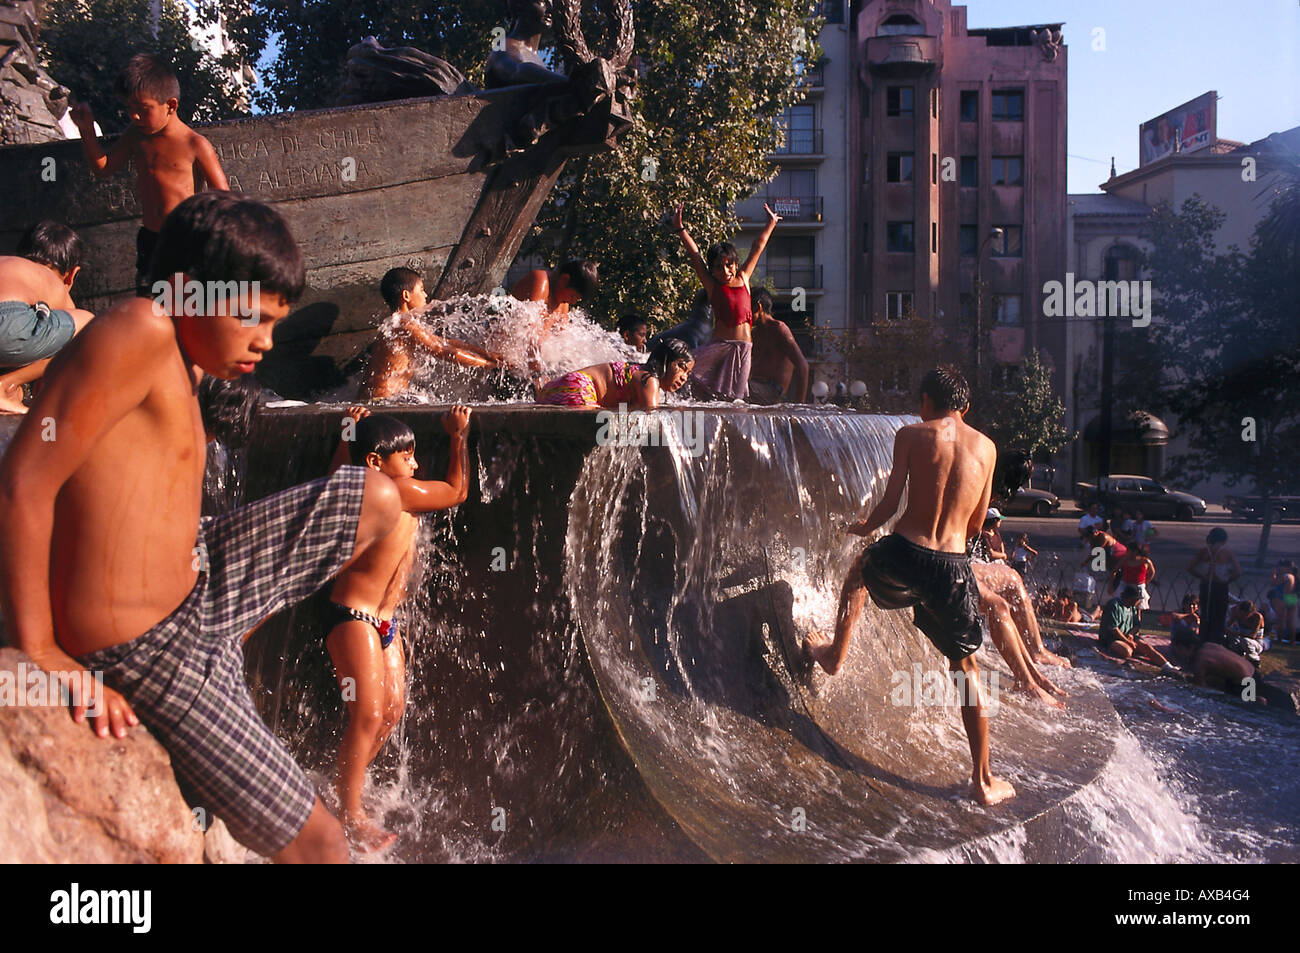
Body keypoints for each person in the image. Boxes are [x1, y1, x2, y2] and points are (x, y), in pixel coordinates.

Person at [0, 193, 406, 863]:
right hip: (152, 646)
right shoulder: (139, 329)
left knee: (376, 497)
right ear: (187, 289)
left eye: (276, 322)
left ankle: (229, 651)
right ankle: (212, 696)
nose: (266, 340)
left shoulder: (185, 359)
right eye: (253, 316)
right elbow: (23, 482)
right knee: (324, 844)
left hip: (204, 580)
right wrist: (41, 656)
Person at [804, 365, 1015, 805]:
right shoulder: (988, 448)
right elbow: (977, 522)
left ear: (925, 402)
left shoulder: (912, 435)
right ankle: (983, 780)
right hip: (952, 565)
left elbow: (890, 501)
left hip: (905, 552)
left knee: (860, 572)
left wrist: (865, 529)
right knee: (965, 670)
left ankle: (834, 655)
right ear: (966, 408)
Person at [324, 405, 470, 850]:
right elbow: (456, 490)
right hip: (354, 618)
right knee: (367, 715)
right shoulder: (396, 491)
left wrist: (347, 437)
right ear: (376, 464)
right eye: (406, 455)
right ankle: (348, 814)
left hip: (383, 622)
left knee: (390, 712)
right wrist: (458, 437)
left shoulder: (368, 484)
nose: (414, 464)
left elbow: (334, 481)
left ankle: (336, 792)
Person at [69, 54, 229, 295]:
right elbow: (103, 168)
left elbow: (223, 198)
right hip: (151, 241)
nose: (134, 116)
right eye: (129, 109)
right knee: (150, 304)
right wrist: (87, 130)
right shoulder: (136, 136)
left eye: (143, 110)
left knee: (188, 308)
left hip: (186, 240)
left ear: (171, 105)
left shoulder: (195, 144)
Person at [670, 202, 779, 400]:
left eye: (729, 265)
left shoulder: (744, 277)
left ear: (736, 264)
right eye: (719, 267)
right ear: (712, 270)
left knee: (735, 398)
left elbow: (758, 246)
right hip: (718, 346)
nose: (725, 271)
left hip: (744, 348)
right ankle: (659, 384)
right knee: (686, 368)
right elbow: (695, 256)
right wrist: (680, 228)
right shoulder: (713, 286)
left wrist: (771, 223)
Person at [359, 267, 500, 400]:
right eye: (421, 290)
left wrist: (486, 353)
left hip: (377, 399)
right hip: (380, 401)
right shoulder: (403, 324)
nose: (425, 295)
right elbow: (441, 350)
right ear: (406, 295)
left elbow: (444, 342)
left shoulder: (397, 323)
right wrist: (488, 364)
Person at [0, 222, 95, 413]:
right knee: (90, 327)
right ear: (72, 275)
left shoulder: (9, 264)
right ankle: (5, 386)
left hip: (9, 329)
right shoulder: (51, 280)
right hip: (7, 324)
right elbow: (72, 352)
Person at [535, 337, 693, 409]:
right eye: (681, 367)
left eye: (688, 373)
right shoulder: (649, 380)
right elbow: (652, 420)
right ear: (665, 361)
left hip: (555, 388)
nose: (684, 377)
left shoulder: (638, 370)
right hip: (580, 390)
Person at [510, 259, 599, 341]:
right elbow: (529, 333)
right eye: (572, 296)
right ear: (564, 279)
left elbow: (563, 342)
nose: (573, 302)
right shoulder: (540, 281)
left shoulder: (563, 303)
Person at [748, 287, 809, 404]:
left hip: (773, 390)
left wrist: (799, 407)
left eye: (746, 309)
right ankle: (701, 420)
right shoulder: (754, 333)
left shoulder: (779, 329)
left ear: (757, 307)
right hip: (755, 387)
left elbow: (803, 366)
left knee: (737, 388)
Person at [1098, 586, 1178, 673]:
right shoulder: (1114, 605)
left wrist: (1131, 634)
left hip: (1127, 636)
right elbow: (1113, 629)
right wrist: (1127, 641)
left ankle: (1168, 666)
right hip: (1111, 637)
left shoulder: (1133, 608)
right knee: (1126, 651)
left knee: (1146, 647)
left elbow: (1136, 625)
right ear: (1130, 598)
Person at [1188, 528, 1241, 647]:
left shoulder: (1204, 551)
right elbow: (1238, 572)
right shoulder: (1226, 553)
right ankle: (1215, 643)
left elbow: (1190, 567)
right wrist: (1227, 579)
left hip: (1206, 585)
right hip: (1220, 586)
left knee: (1206, 614)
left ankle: (1203, 641)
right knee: (1219, 616)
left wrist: (1202, 576)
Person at [1117, 543, 1156, 617]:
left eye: (1128, 551)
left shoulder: (1145, 561)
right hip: (1125, 585)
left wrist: (1146, 581)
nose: (1127, 552)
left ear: (1134, 551)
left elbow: (1152, 572)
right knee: (1122, 605)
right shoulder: (1125, 560)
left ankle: (1136, 625)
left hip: (1138, 586)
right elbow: (1115, 570)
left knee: (1138, 608)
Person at [1223, 600, 1266, 665]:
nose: (1242, 616)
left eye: (1245, 615)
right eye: (1240, 614)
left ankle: (1254, 660)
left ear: (1251, 613)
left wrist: (1234, 633)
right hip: (1239, 640)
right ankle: (1235, 654)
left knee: (1246, 641)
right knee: (1226, 637)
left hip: (1254, 643)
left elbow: (1252, 636)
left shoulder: (1257, 617)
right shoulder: (1236, 612)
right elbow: (1228, 625)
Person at [1265, 560, 1297, 644]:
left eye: (1280, 567)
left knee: (1281, 620)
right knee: (1290, 621)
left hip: (1282, 597)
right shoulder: (1292, 576)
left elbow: (1273, 583)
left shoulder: (1285, 576)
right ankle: (1292, 641)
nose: (1279, 569)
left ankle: (1279, 640)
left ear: (1286, 568)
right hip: (1292, 597)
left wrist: (1273, 574)